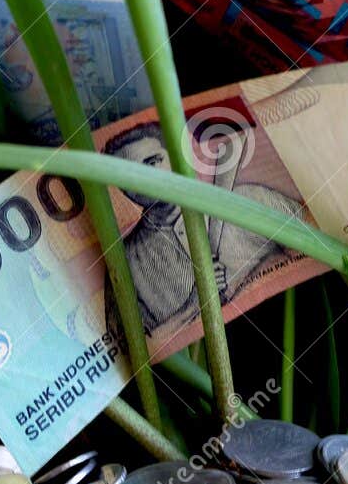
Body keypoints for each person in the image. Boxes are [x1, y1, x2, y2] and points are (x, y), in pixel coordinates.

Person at [101, 118, 302, 345]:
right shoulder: (123, 263)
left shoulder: (252, 200)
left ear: (176, 158)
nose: (141, 180)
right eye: (126, 173)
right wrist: (195, 305)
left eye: (152, 162)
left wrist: (256, 274)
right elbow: (126, 349)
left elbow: (310, 250)